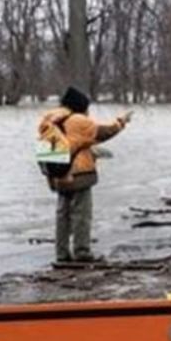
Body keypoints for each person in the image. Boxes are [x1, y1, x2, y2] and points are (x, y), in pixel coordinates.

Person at [37, 86, 132, 263]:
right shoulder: (77, 120)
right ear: (80, 105)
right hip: (78, 175)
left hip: (59, 175)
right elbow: (104, 132)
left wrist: (51, 179)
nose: (88, 111)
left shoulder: (50, 120)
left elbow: (49, 150)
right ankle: (82, 252)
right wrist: (121, 121)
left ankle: (62, 254)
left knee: (62, 216)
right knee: (82, 215)